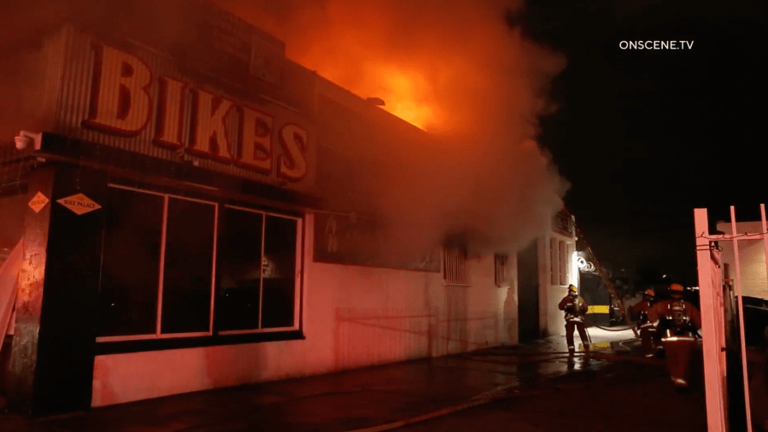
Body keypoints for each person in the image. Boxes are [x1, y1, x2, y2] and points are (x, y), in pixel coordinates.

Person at [650, 283, 702, 389]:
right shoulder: (689, 306)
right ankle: (681, 379)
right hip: (687, 339)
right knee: (685, 360)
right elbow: (699, 322)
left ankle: (676, 378)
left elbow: (651, 313)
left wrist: (657, 326)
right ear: (682, 293)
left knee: (672, 358)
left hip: (670, 339)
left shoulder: (662, 305)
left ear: (670, 292)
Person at [559, 284, 590, 355]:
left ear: (569, 291)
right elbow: (586, 309)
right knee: (582, 333)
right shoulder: (580, 299)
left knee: (569, 334)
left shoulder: (566, 299)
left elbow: (560, 307)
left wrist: (566, 307)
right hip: (579, 320)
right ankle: (586, 347)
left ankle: (571, 350)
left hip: (570, 320)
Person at [630, 288, 658, 357]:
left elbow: (633, 310)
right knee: (656, 340)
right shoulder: (657, 304)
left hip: (645, 327)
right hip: (656, 326)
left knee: (646, 342)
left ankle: (648, 355)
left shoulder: (642, 304)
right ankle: (657, 353)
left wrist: (629, 309)